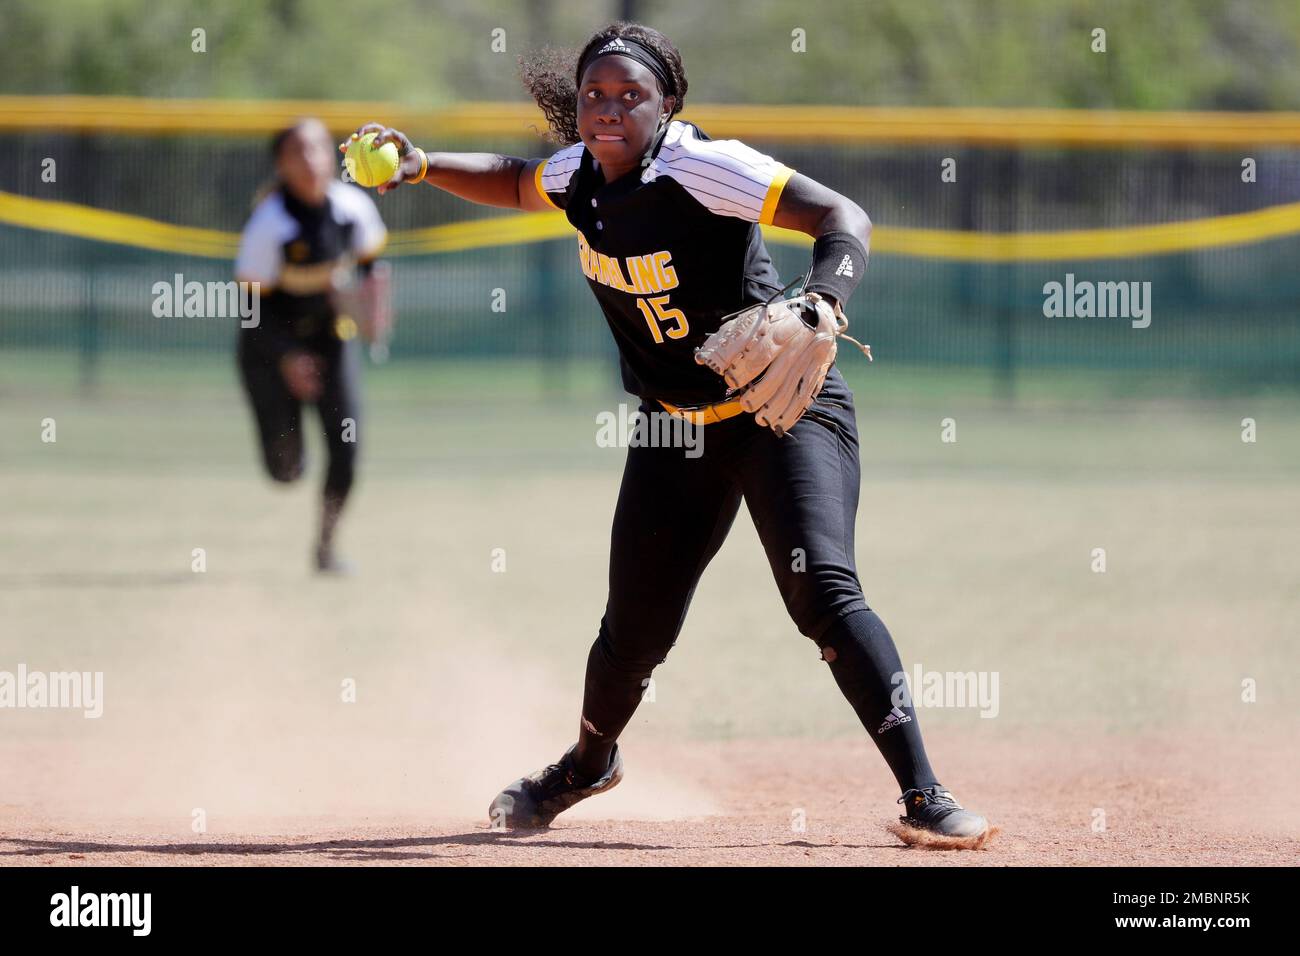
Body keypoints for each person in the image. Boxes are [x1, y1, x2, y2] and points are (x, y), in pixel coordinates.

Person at [347, 22, 992, 848]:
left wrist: (823, 297)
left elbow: (843, 215)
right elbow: (515, 182)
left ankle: (924, 795)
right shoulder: (578, 173)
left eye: (629, 96)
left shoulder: (701, 167)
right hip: (675, 429)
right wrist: (422, 164)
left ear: (668, 104)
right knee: (633, 634)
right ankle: (587, 765)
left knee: (823, 593)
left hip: (778, 410)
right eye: (593, 95)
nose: (607, 109)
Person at [236, 118, 391, 574]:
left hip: (329, 342)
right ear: (281, 165)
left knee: (346, 448)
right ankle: (285, 460)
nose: (310, 160)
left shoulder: (352, 209)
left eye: (319, 148)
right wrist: (287, 358)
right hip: (268, 351)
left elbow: (372, 271)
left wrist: (373, 311)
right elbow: (250, 312)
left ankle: (325, 548)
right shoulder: (269, 225)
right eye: (297, 152)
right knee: (287, 470)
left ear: (334, 157)